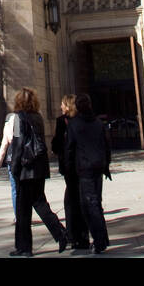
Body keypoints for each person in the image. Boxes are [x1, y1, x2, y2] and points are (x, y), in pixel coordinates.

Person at [8, 88, 67, 258]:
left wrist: (14, 167)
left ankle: (24, 247)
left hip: (25, 169)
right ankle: (61, 233)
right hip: (39, 168)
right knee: (40, 203)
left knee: (22, 210)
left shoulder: (19, 118)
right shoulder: (38, 117)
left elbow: (18, 145)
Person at [65, 92, 112, 254]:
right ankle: (103, 238)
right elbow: (106, 146)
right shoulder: (98, 123)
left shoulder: (74, 124)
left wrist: (68, 168)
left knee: (89, 206)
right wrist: (106, 166)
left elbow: (70, 149)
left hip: (85, 169)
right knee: (96, 203)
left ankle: (99, 241)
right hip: (98, 168)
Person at [51, 94, 89, 250]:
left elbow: (56, 145)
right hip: (83, 165)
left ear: (66, 106)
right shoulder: (84, 119)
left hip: (69, 166)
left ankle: (73, 236)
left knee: (70, 201)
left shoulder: (62, 121)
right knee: (80, 200)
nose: (60, 107)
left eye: (62, 104)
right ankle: (84, 236)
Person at [0, 109, 18, 214]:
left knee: (15, 190)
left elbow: (4, 145)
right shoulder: (24, 120)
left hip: (11, 158)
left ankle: (18, 216)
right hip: (22, 158)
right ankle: (24, 215)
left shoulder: (8, 124)